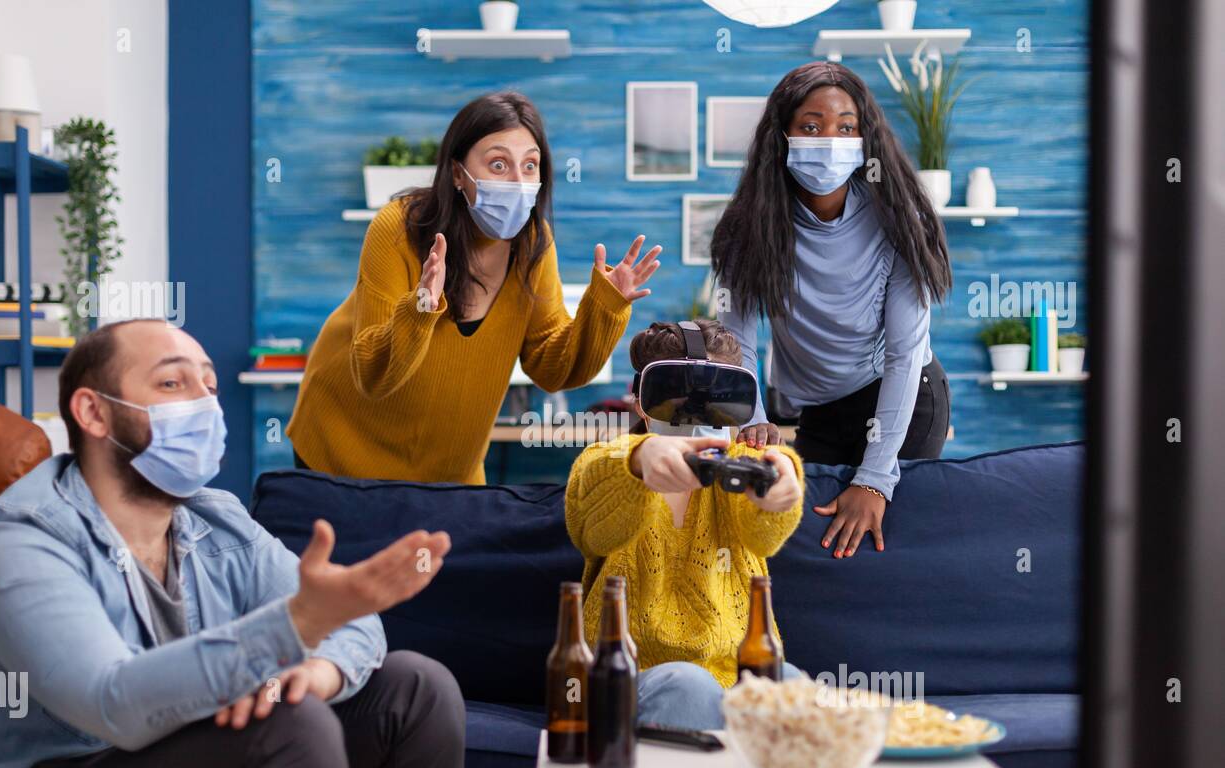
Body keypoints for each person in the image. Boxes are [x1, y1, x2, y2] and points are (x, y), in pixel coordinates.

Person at [0, 319, 464, 768]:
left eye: (208, 383)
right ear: (93, 412)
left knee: (415, 690)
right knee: (287, 730)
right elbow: (111, 701)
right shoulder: (21, 537)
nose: (205, 403)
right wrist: (294, 628)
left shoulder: (216, 518)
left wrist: (314, 674)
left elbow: (353, 622)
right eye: (171, 384)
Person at [287, 90, 660, 483]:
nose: (518, 181)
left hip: (449, 468)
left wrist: (605, 305)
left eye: (530, 165)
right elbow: (374, 376)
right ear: (456, 174)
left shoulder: (534, 243)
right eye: (498, 164)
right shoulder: (398, 229)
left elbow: (553, 370)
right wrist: (420, 308)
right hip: (342, 449)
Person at [712, 60, 954, 560]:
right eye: (811, 125)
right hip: (819, 410)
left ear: (866, 140)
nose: (829, 138)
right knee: (811, 542)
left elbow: (904, 358)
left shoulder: (898, 221)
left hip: (903, 401)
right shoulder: (747, 229)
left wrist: (874, 480)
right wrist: (752, 419)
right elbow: (736, 344)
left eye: (846, 127)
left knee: (880, 544)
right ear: (782, 135)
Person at [564, 320, 805, 731]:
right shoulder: (606, 462)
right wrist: (639, 460)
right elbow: (597, 525)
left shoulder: (741, 468)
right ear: (642, 400)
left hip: (737, 674)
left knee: (794, 687)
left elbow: (764, 534)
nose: (695, 414)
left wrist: (783, 482)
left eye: (715, 399)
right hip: (623, 680)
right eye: (678, 397)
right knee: (689, 686)